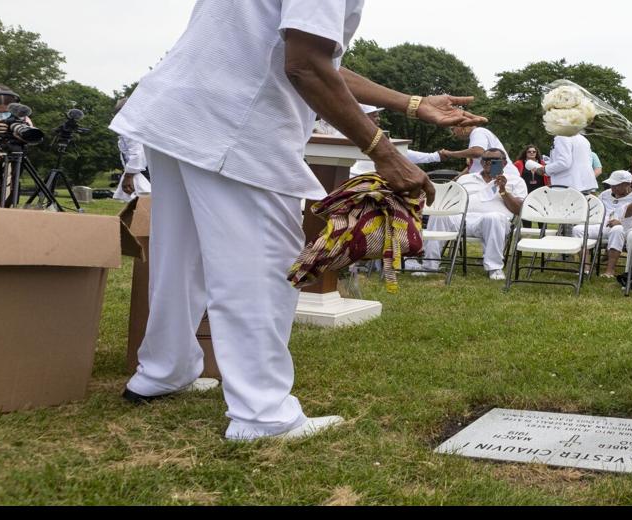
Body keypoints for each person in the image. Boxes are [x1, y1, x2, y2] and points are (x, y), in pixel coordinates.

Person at [110, 0, 483, 441]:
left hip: (178, 110)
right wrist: (383, 152)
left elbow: (305, 54)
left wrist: (413, 103)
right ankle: (262, 414)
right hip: (235, 120)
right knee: (264, 265)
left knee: (181, 256)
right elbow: (304, 64)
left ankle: (163, 371)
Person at [420, 148, 526, 280]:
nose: (489, 163)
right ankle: (430, 266)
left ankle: (494, 268)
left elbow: (519, 210)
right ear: (481, 162)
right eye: (486, 160)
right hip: (462, 219)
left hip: (494, 222)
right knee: (440, 214)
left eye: (495, 160)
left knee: (493, 217)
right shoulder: (466, 178)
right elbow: (451, 201)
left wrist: (503, 191)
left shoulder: (516, 181)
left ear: (504, 163)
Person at [593, 169, 632, 278]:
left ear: (627, 184)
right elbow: (596, 210)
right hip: (603, 226)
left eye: (616, 185)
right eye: (611, 184)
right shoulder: (605, 194)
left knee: (617, 230)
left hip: (626, 229)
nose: (612, 187)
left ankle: (610, 270)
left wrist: (620, 222)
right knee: (579, 229)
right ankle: (586, 268)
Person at [110, 97, 151, 203]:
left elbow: (137, 154)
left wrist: (128, 176)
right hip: (143, 170)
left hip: (141, 173)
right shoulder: (141, 126)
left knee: (142, 206)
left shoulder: (130, 129)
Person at [440, 121, 508, 176]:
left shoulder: (478, 132)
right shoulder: (478, 135)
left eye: (452, 129)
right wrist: (456, 179)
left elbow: (477, 152)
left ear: (462, 126)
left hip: (501, 179)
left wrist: (449, 154)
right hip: (496, 178)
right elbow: (473, 166)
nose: (453, 133)